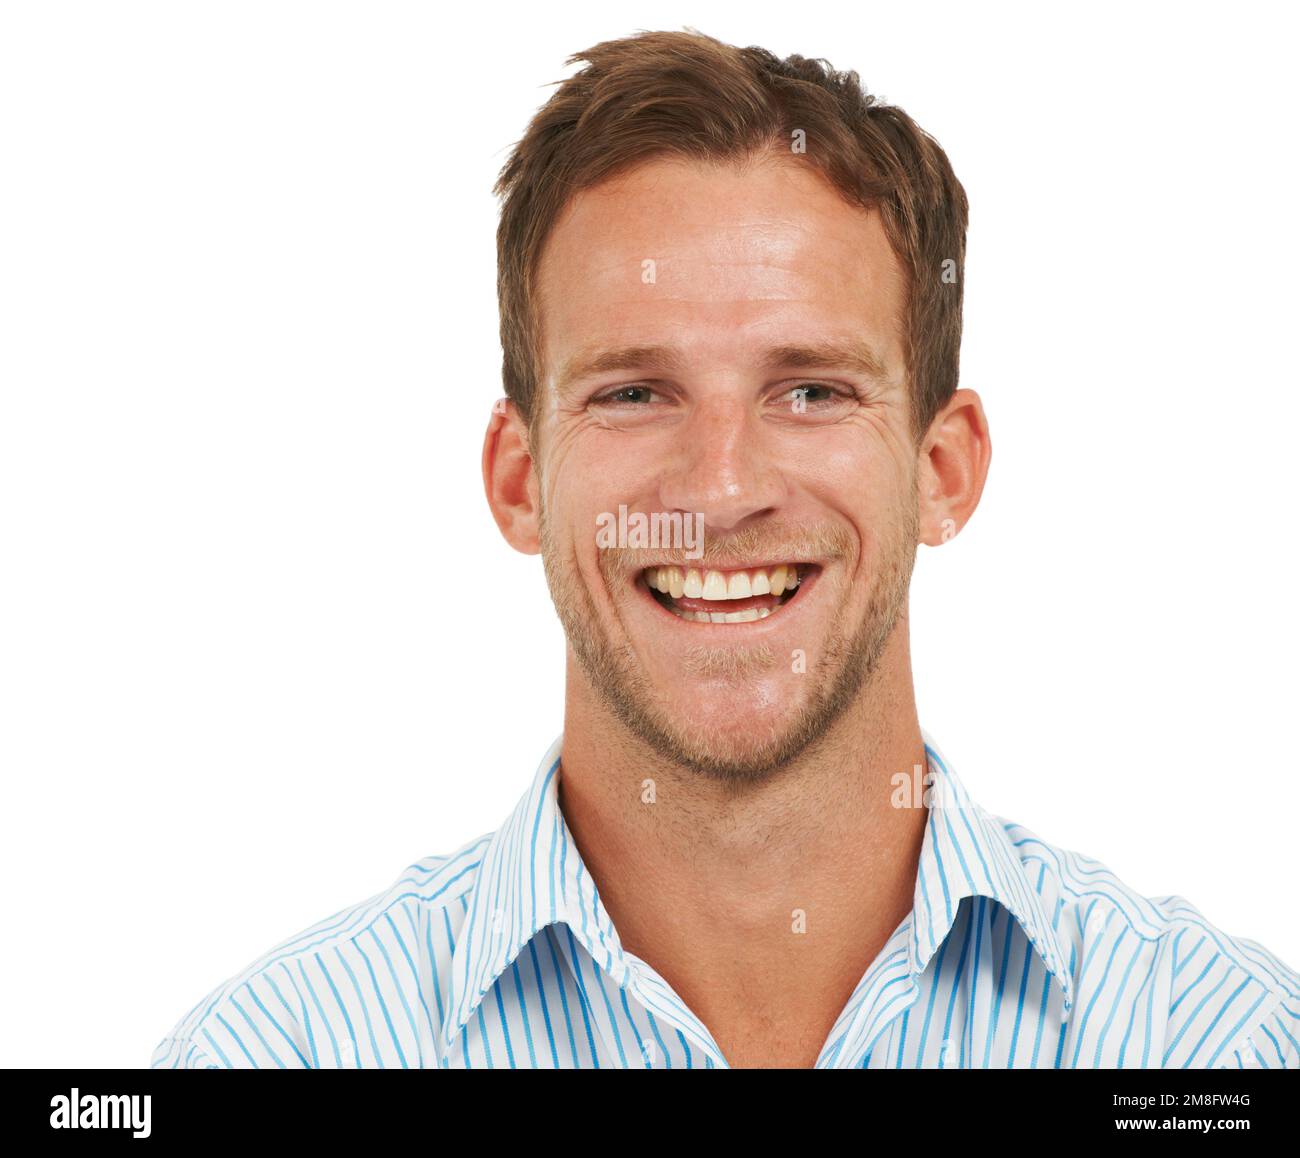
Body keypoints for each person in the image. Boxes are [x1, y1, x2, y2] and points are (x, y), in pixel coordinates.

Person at [150, 27, 1298, 1069]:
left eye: (809, 390)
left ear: (942, 472)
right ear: (518, 481)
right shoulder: (277, 1054)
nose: (722, 487)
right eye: (635, 392)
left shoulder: (1217, 1049)